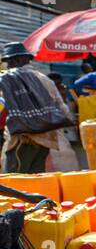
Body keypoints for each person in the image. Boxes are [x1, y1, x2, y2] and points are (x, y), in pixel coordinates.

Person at [0, 42, 66, 173]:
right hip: (45, 140)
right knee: (35, 181)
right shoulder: (45, 79)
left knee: (15, 181)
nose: (8, 66)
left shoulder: (9, 78)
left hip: (23, 138)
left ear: (17, 60)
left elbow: (2, 106)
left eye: (9, 62)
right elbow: (63, 110)